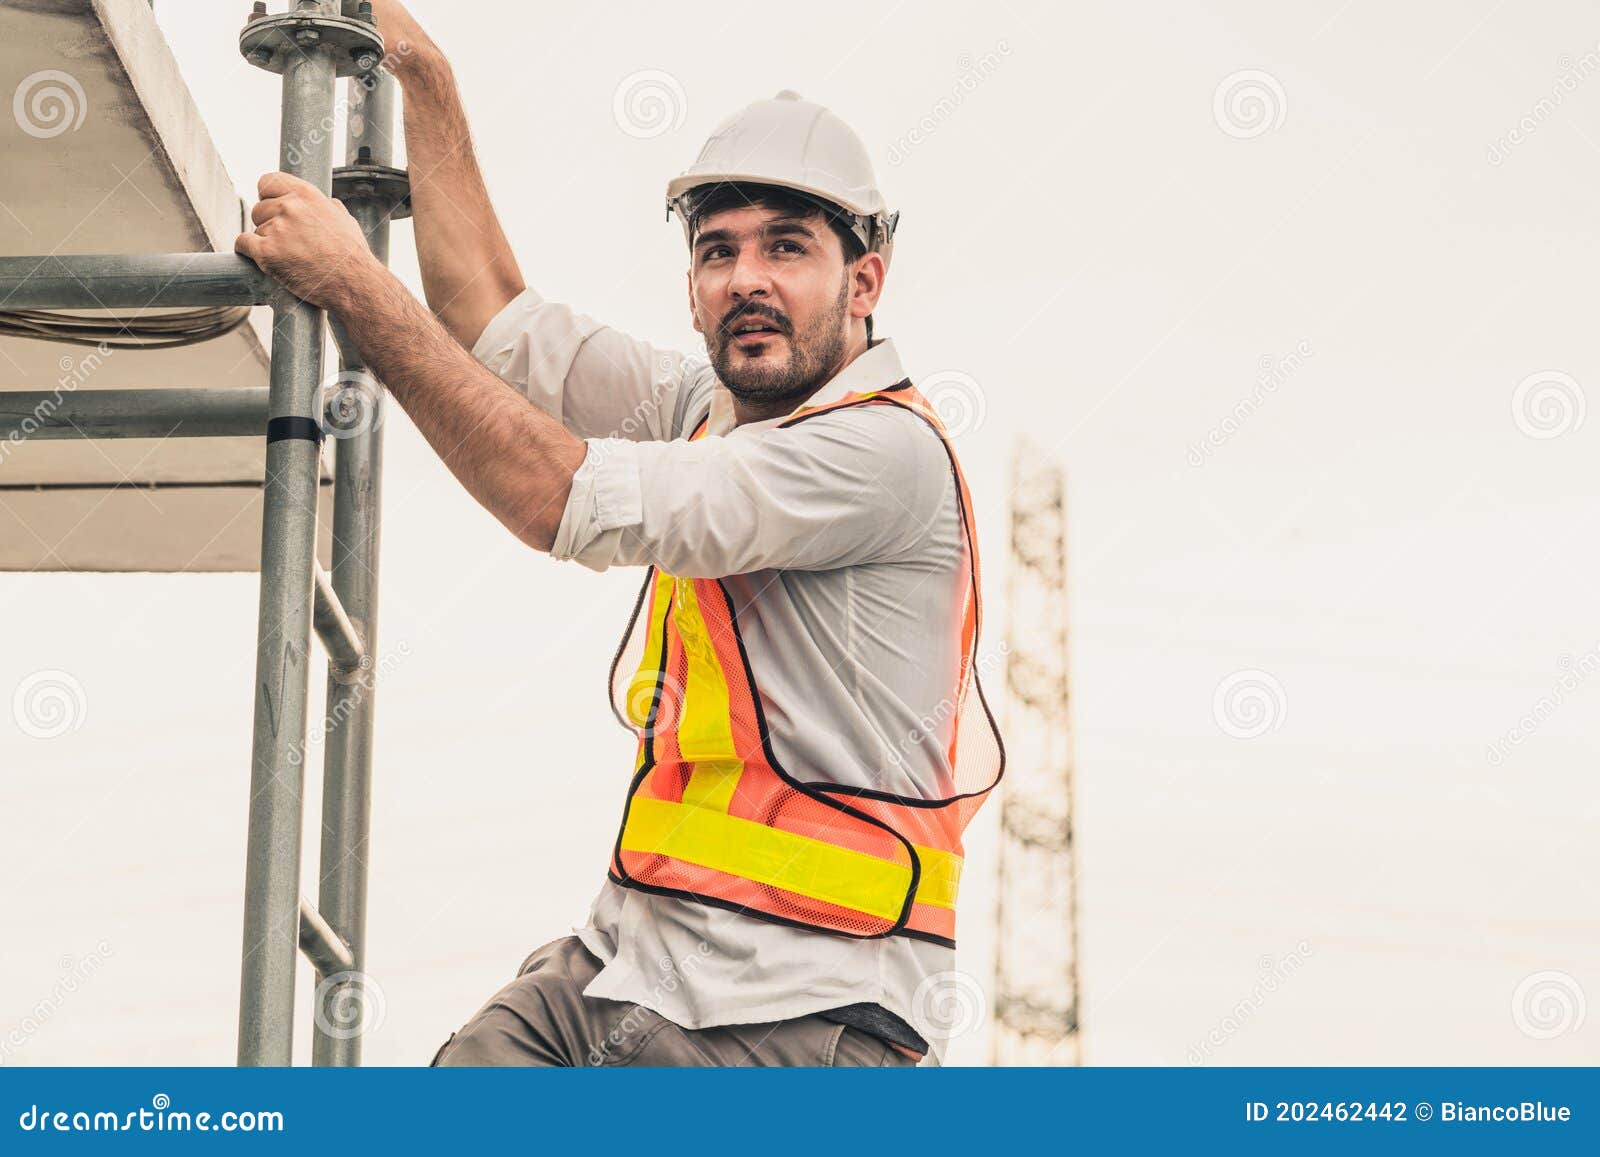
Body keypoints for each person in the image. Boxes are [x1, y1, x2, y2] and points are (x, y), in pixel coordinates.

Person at [234, 0, 1002, 1067]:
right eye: (719, 252)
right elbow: (491, 313)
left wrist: (354, 285)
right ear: (693, 290)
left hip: (810, 1009)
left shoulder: (882, 457)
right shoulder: (707, 406)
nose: (748, 279)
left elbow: (555, 495)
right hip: (631, 958)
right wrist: (422, 69)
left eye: (788, 248)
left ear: (863, 281)